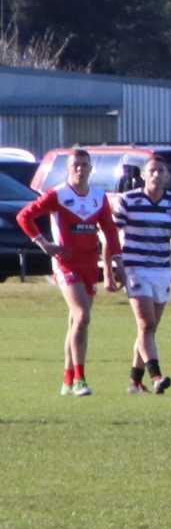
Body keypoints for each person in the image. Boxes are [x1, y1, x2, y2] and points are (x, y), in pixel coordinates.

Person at [17, 147, 120, 396]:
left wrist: (111, 268)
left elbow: (110, 233)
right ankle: (79, 380)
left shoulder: (98, 197)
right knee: (82, 315)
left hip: (88, 265)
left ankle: (67, 379)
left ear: (91, 168)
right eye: (76, 165)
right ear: (68, 168)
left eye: (85, 165)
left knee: (77, 322)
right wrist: (45, 244)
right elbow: (24, 216)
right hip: (66, 264)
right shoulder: (58, 195)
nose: (80, 169)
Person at [114, 156, 171, 392]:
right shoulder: (129, 200)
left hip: (161, 269)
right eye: (152, 171)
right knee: (146, 324)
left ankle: (134, 381)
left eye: (160, 171)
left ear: (166, 176)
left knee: (149, 329)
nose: (156, 175)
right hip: (135, 268)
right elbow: (112, 234)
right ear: (143, 175)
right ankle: (156, 377)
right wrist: (113, 266)